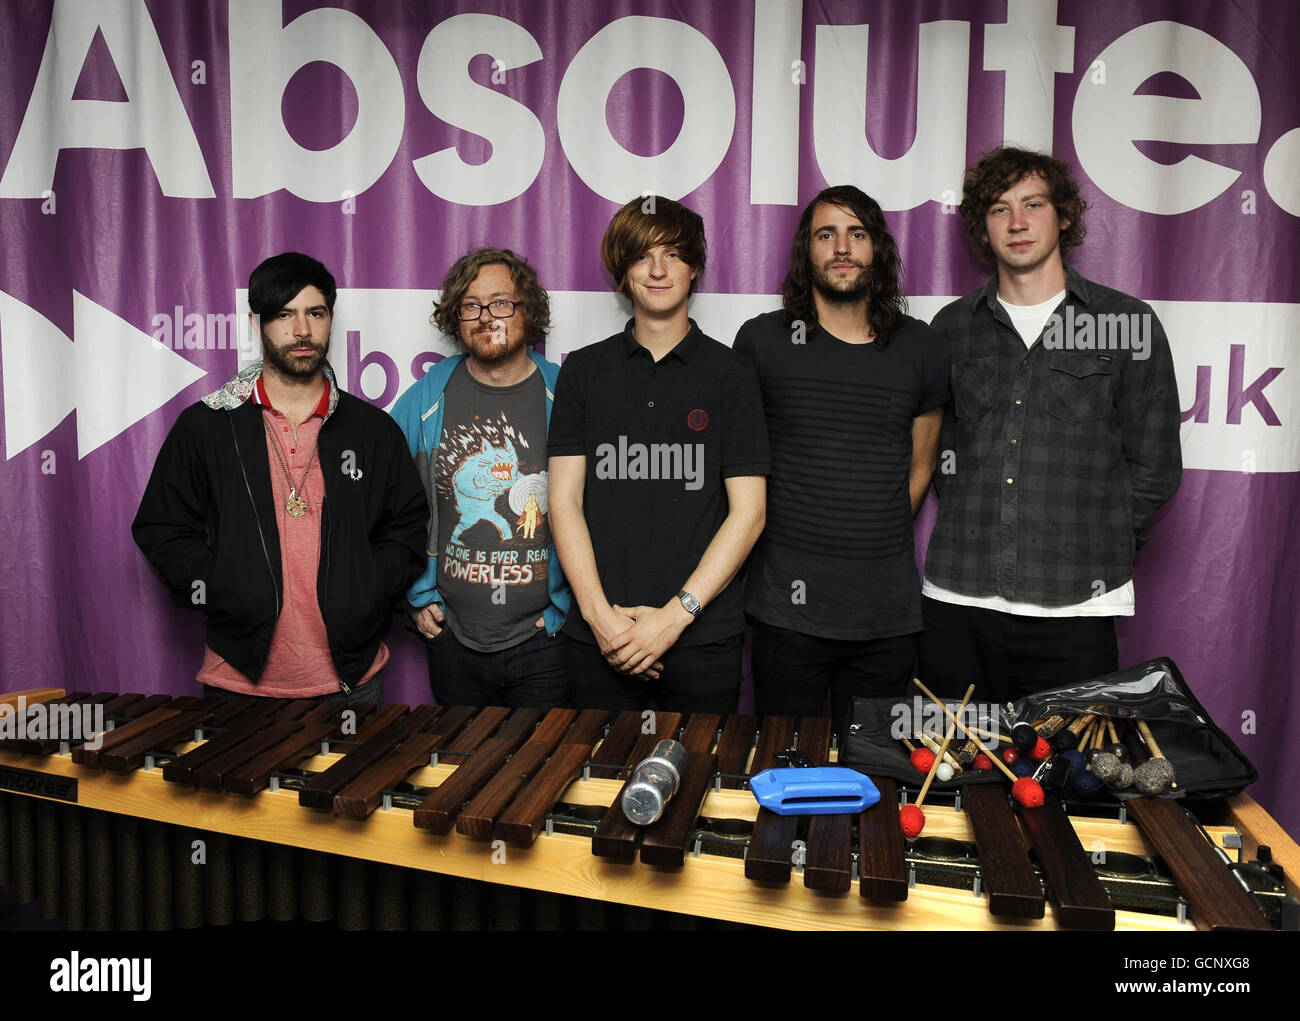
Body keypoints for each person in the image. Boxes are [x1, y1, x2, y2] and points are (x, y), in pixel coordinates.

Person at [921, 147, 1182, 703]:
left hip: (1078, 605)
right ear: (981, 227)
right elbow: (941, 457)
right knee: (952, 774)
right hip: (959, 599)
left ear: (1064, 214)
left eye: (1033, 204)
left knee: (1069, 778)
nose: (1017, 222)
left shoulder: (1124, 323)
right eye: (998, 209)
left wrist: (1100, 535)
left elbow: (1155, 463)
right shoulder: (951, 328)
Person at [132, 252, 427, 703]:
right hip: (239, 678)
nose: (302, 330)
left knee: (357, 778)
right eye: (284, 314)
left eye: (315, 313)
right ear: (257, 323)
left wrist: (367, 591)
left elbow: (405, 527)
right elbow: (163, 528)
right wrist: (225, 591)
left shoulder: (372, 430)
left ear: (330, 319)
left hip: (352, 682)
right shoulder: (209, 424)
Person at [733, 186, 948, 732]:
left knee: (872, 776)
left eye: (857, 234)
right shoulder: (763, 342)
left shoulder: (919, 347)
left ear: (877, 248)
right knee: (783, 765)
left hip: (885, 617)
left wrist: (866, 527)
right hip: (786, 613)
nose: (842, 247)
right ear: (808, 251)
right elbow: (741, 467)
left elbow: (923, 462)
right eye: (826, 234)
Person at [548, 196, 769, 712]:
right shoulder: (583, 372)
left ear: (694, 267)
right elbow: (564, 503)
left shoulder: (731, 375)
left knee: (700, 788)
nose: (657, 269)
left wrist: (673, 618)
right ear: (623, 273)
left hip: (702, 640)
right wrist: (603, 620)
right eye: (642, 255)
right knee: (591, 789)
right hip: (599, 638)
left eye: (673, 253)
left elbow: (749, 512)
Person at [390, 248, 572, 707]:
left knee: (543, 774)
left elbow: (601, 509)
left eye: (501, 303)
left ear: (527, 310)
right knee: (462, 770)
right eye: (471, 305)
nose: (486, 316)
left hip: (545, 642)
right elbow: (387, 502)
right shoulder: (428, 396)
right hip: (453, 641)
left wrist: (565, 606)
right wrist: (414, 597)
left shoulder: (565, 393)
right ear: (457, 317)